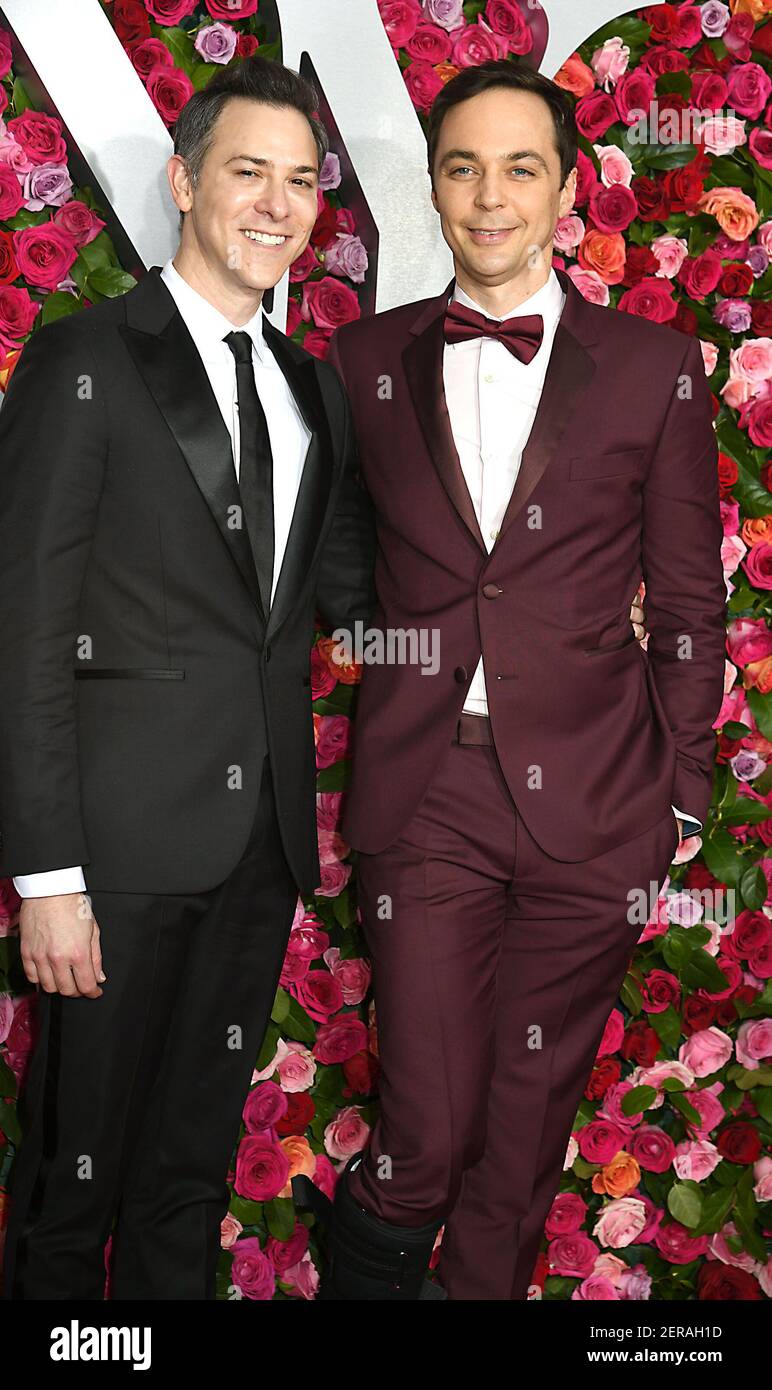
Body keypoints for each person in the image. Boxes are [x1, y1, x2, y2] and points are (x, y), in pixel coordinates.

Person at [307, 59, 726, 1300]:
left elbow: (690, 603)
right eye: (462, 166)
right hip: (429, 792)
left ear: (566, 189)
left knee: (521, 1145)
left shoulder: (654, 366)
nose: (489, 197)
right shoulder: (364, 360)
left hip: (598, 803)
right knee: (427, 1136)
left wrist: (683, 794)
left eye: (520, 167)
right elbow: (330, 567)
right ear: (432, 183)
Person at [0, 55, 375, 1300]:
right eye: (246, 173)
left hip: (258, 848)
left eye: (298, 182)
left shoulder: (313, 388)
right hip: (112, 858)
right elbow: (26, 625)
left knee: (190, 1175)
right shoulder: (83, 360)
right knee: (73, 1184)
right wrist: (50, 876)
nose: (275, 204)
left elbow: (345, 599)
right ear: (183, 181)